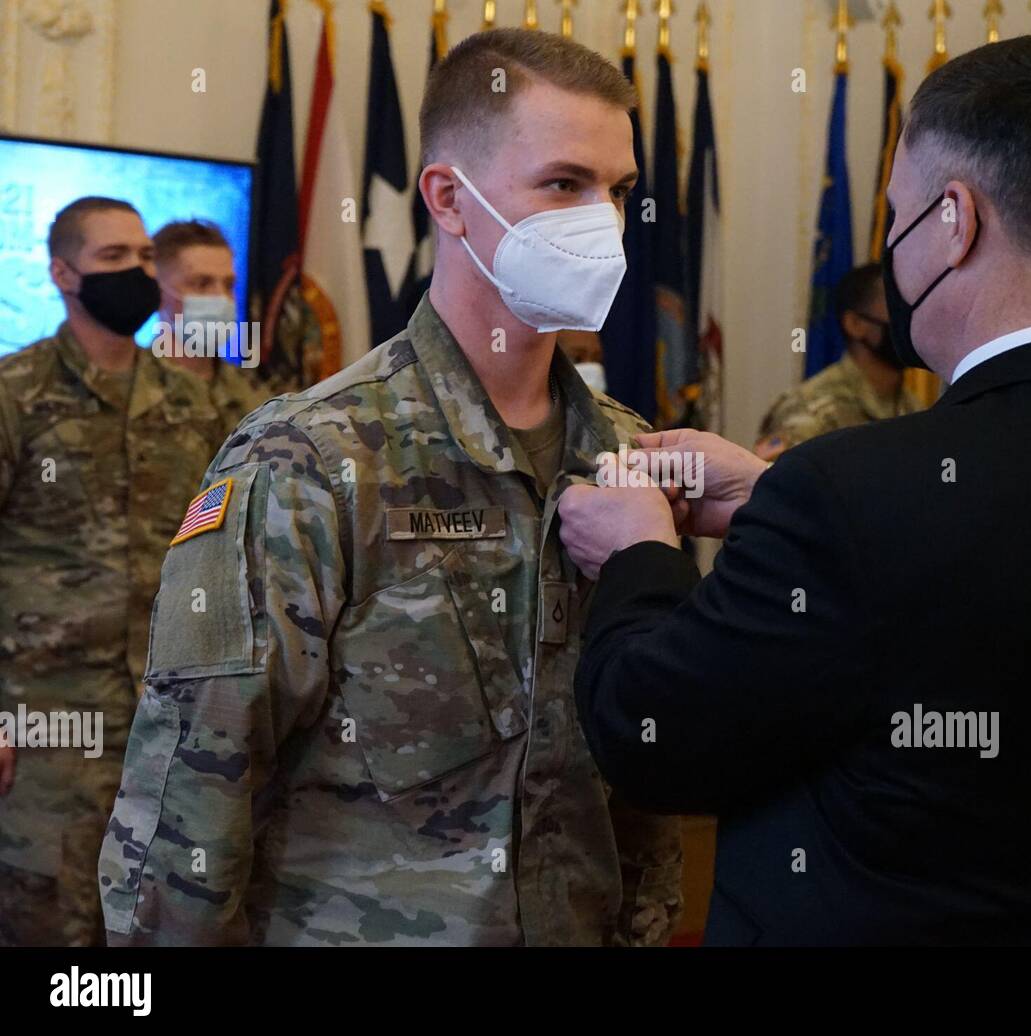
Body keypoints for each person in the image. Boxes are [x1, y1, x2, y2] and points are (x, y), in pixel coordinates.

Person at [556, 36, 1031, 946]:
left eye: (896, 216)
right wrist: (779, 497)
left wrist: (638, 552)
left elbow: (651, 731)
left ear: (954, 220)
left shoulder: (857, 494)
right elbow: (1001, 570)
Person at [98, 28, 681, 947]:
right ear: (450, 199)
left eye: (620, 192)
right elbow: (192, 793)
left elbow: (647, 773)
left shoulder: (630, 463)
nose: (603, 223)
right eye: (566, 185)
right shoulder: (310, 459)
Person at [0, 196, 227, 946]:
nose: (134, 274)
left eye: (140, 259)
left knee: (156, 926)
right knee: (51, 928)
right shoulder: (15, 393)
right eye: (111, 260)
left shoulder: (193, 405)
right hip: (46, 727)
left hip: (168, 725)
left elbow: (220, 557)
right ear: (63, 273)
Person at [755, 263, 922, 461]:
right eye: (896, 309)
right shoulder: (810, 410)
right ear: (855, 324)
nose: (909, 321)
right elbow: (776, 486)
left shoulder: (913, 408)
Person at [152, 219, 271, 437]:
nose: (222, 297)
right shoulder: (133, 391)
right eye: (201, 283)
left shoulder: (255, 396)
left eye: (228, 285)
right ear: (157, 294)